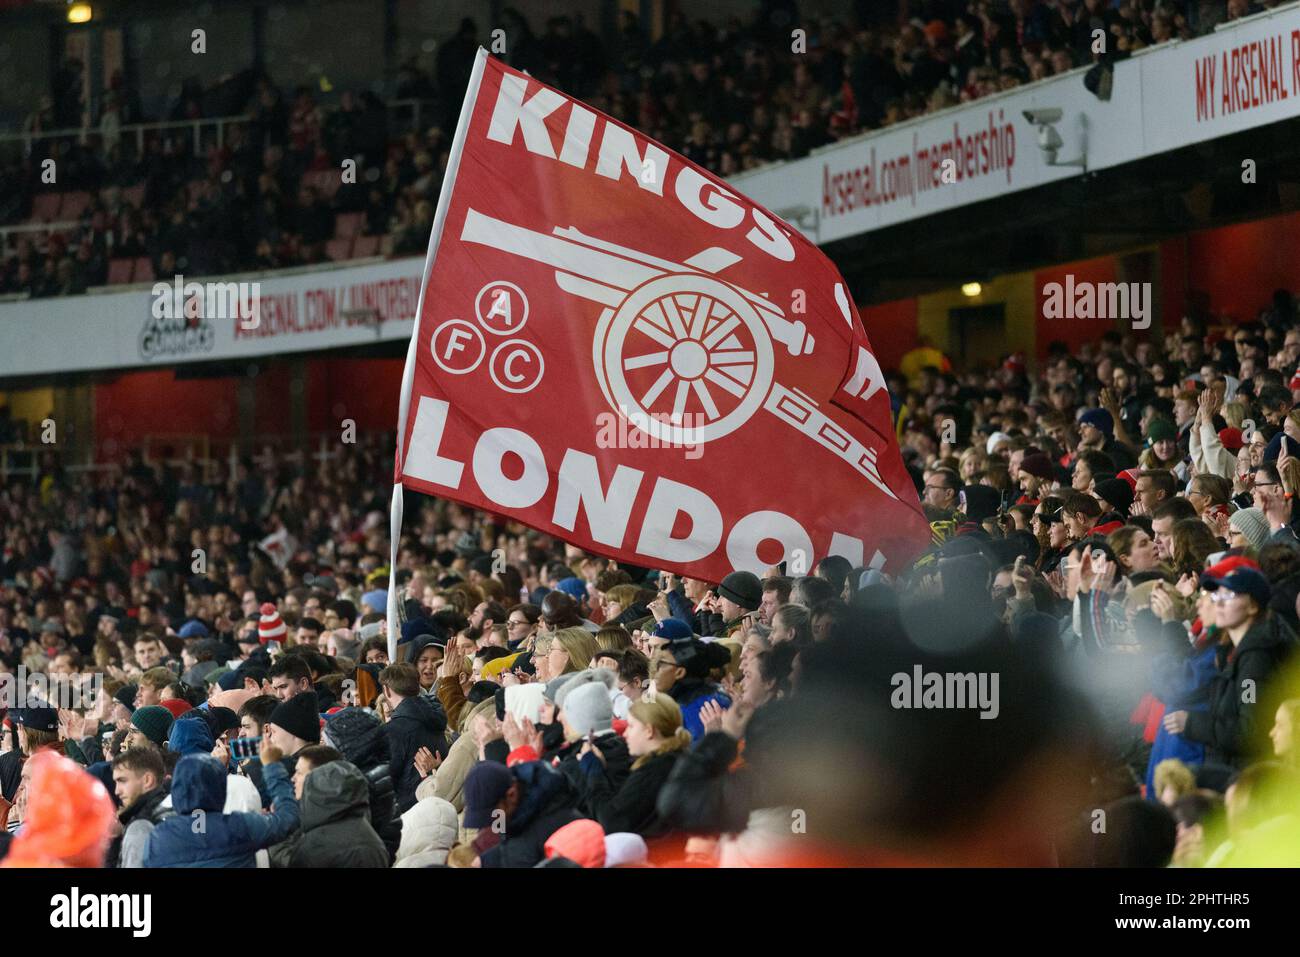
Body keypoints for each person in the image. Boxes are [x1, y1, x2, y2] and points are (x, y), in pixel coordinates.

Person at [1164, 563, 1299, 785]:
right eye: (1218, 596)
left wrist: (1192, 724)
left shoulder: (1256, 661)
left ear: (1253, 606)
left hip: (1252, 780)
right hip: (1235, 772)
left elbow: (1250, 730)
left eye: (1230, 595)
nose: (1219, 603)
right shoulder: (1232, 652)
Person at [144, 736, 299, 867]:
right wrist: (272, 766)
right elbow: (288, 819)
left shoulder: (156, 837)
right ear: (221, 789)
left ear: (176, 788)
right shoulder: (240, 826)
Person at [581, 693, 692, 836]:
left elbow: (612, 822)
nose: (625, 734)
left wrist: (594, 771)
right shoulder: (683, 758)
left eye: (631, 726)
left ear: (649, 731)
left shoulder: (654, 770)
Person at [463, 759, 581, 869]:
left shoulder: (554, 812)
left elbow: (526, 849)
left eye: (491, 815)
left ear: (512, 795)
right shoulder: (516, 811)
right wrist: (484, 860)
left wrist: (486, 861)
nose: (490, 824)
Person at [321, 707, 401, 861]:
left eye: (329, 744)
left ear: (346, 744)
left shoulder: (362, 783)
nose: (325, 749)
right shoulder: (378, 769)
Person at [280, 759, 389, 868]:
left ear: (313, 793)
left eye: (299, 772)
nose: (293, 778)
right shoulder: (374, 842)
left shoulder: (312, 846)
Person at [379, 663, 449, 813]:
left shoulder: (392, 731)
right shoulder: (436, 719)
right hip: (438, 806)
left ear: (386, 690)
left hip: (406, 814)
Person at [652, 637, 732, 740]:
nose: (656, 670)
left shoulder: (701, 710)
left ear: (680, 672)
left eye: (661, 664)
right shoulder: (705, 696)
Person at [110, 746, 171, 868]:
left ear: (147, 780)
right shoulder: (176, 808)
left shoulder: (140, 827)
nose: (117, 791)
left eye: (122, 780)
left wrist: (113, 843)